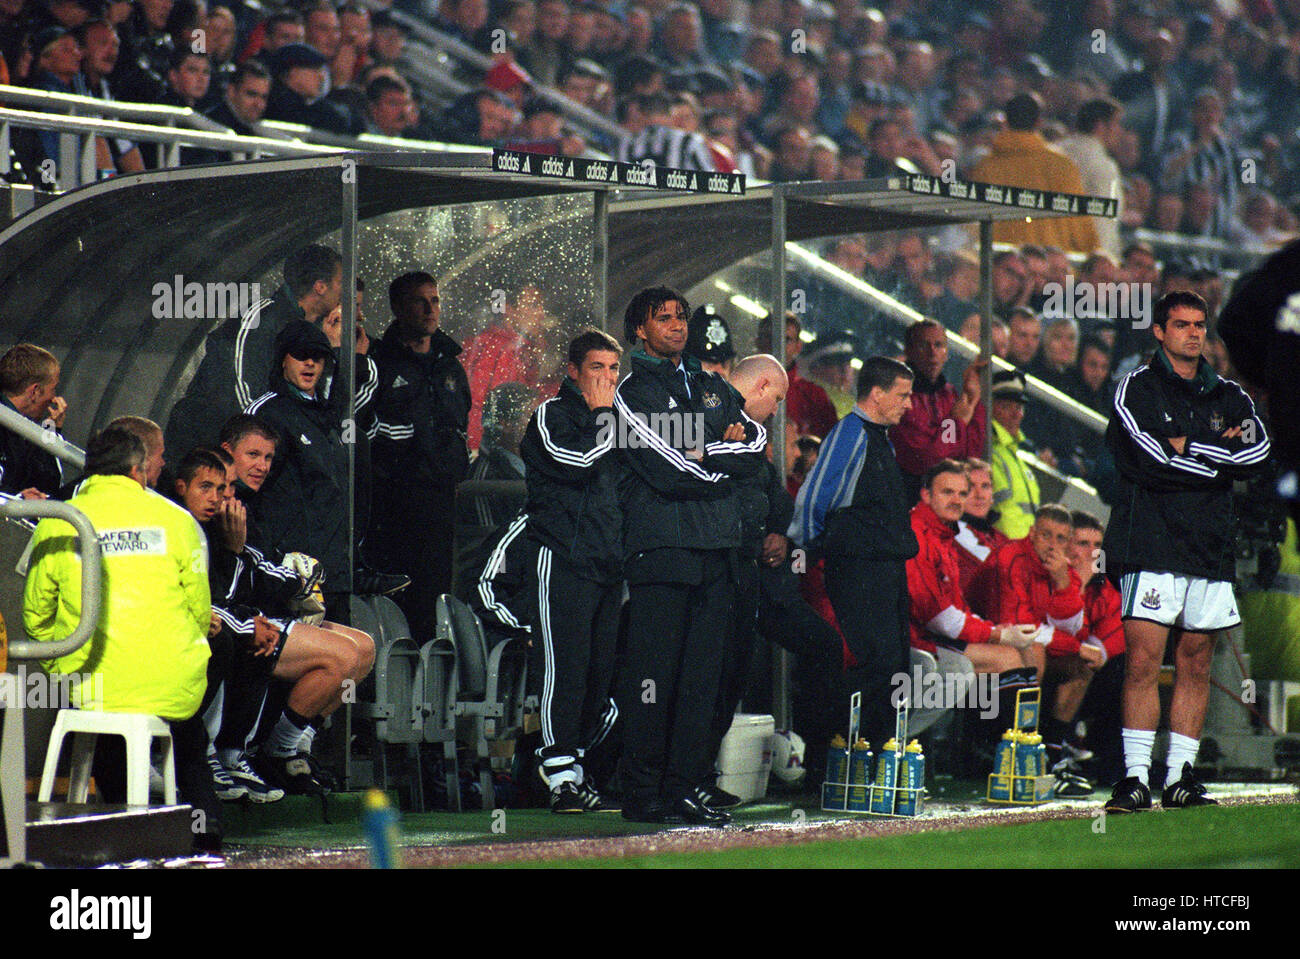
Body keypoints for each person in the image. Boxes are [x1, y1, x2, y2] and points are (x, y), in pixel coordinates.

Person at [1103, 291, 1270, 812]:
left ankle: (1179, 776)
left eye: (1200, 325)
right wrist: (1220, 456)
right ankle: (1133, 777)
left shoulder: (1230, 396)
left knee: (1196, 661)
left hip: (1210, 544)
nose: (1193, 334)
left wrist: (1188, 447)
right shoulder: (1137, 388)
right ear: (1159, 331)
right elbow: (1146, 455)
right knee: (1144, 661)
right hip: (1148, 540)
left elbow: (1259, 452)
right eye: (1181, 325)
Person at [23, 426, 221, 850]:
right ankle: (204, 825)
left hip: (89, 683)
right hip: (171, 682)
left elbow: (35, 619)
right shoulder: (178, 520)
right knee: (186, 731)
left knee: (98, 714)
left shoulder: (59, 519)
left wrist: (61, 665)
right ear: (138, 469)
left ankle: (113, 828)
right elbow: (200, 612)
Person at [616, 286, 766, 826]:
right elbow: (666, 469)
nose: (677, 326)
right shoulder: (631, 393)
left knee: (702, 680)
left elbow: (756, 445)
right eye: (664, 319)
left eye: (681, 317)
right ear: (641, 329)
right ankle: (642, 792)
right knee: (654, 680)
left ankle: (684, 787)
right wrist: (719, 460)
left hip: (718, 553)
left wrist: (708, 452)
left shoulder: (709, 385)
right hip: (662, 553)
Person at [788, 355, 918, 753]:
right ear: (876, 394)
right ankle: (840, 749)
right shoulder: (850, 433)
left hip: (886, 568)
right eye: (903, 395)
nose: (909, 404)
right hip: (859, 570)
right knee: (876, 662)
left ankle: (879, 753)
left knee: (894, 663)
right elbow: (813, 499)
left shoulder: (879, 438)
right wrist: (802, 548)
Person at [520, 329, 624, 814]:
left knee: (597, 674)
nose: (606, 378)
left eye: (613, 369)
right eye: (597, 368)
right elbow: (575, 461)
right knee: (563, 669)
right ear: (573, 371)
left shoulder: (622, 421)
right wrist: (605, 418)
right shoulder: (551, 415)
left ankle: (576, 771)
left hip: (609, 565)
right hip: (561, 557)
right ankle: (557, 773)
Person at [367, 271, 471, 641]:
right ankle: (392, 683)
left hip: (443, 505)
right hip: (393, 507)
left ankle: (433, 683)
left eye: (436, 300)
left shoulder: (450, 364)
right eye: (419, 301)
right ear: (398, 308)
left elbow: (460, 426)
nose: (430, 310)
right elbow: (367, 430)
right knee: (398, 603)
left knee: (438, 598)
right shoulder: (379, 362)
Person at [165, 244, 343, 460]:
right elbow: (242, 388)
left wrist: (335, 348)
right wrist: (279, 440)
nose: (346, 292)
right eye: (342, 283)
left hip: (267, 447)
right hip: (212, 445)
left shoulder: (319, 332)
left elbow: (320, 402)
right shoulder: (261, 318)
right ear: (320, 287)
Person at [906, 459, 1039, 677]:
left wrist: (995, 631)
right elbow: (937, 617)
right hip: (916, 637)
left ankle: (1029, 713)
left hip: (934, 632)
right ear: (926, 495)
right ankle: (993, 712)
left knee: (1026, 652)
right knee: (1008, 658)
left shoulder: (943, 535)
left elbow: (956, 607)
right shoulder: (918, 536)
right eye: (948, 492)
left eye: (961, 493)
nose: (956, 500)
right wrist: (996, 634)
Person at [970, 92, 1099, 253]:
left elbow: (975, 227)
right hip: (1050, 265)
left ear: (1005, 120)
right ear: (1040, 122)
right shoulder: (1061, 165)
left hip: (1003, 265)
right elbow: (1080, 225)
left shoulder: (985, 168)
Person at [891, 320, 987, 503]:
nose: (932, 352)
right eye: (923, 345)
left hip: (945, 499)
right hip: (909, 500)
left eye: (939, 345)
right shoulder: (901, 397)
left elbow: (970, 453)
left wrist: (974, 400)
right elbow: (932, 459)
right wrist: (956, 422)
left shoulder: (949, 394)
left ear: (947, 353)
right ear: (909, 351)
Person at [0, 344, 68, 499]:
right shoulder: (8, 431)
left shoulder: (20, 429)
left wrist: (50, 430)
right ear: (35, 391)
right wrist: (18, 501)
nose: (53, 398)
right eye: (53, 388)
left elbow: (46, 485)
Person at [987, 371, 1042, 540]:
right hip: (1003, 550)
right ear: (990, 407)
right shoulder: (987, 451)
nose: (1015, 415)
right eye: (1005, 407)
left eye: (1018, 407)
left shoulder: (1017, 458)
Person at [953, 457, 1009, 594]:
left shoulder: (1003, 540)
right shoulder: (949, 535)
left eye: (985, 486)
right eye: (971, 487)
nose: (980, 495)